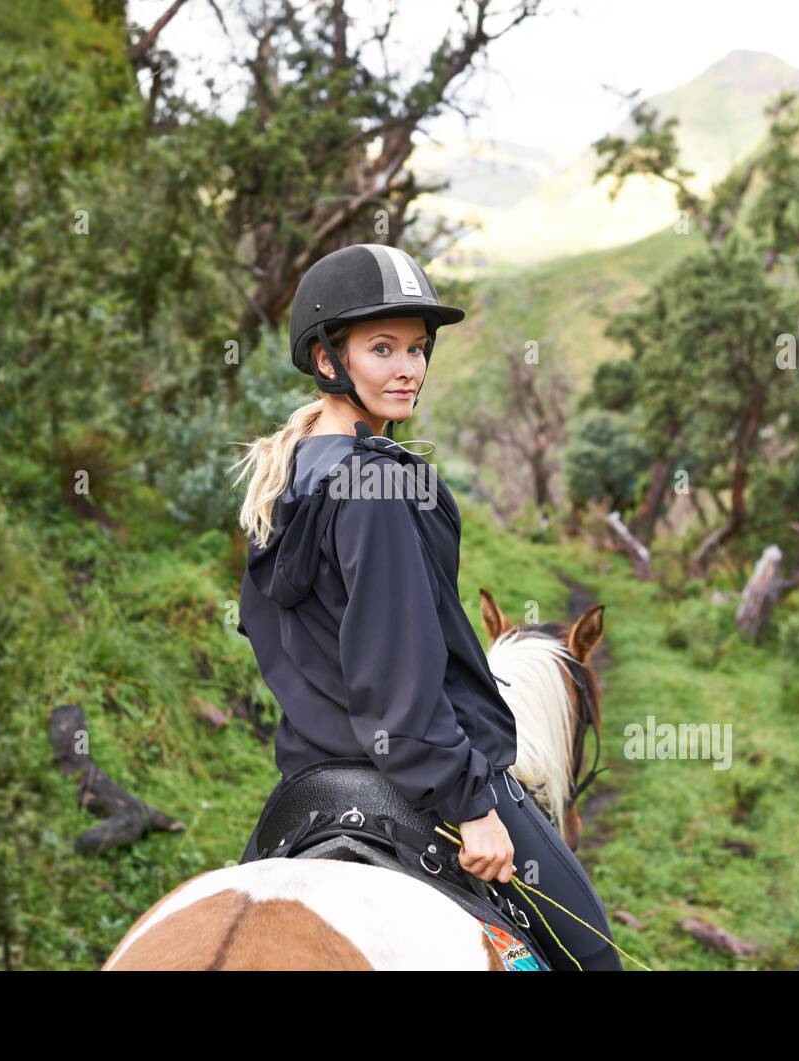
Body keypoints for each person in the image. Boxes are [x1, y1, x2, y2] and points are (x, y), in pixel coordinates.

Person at [230, 243, 622, 971]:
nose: (408, 367)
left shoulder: (286, 479)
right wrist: (471, 804)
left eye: (416, 348)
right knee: (594, 957)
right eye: (382, 348)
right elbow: (398, 676)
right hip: (412, 776)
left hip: (307, 782)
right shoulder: (378, 491)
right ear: (325, 358)